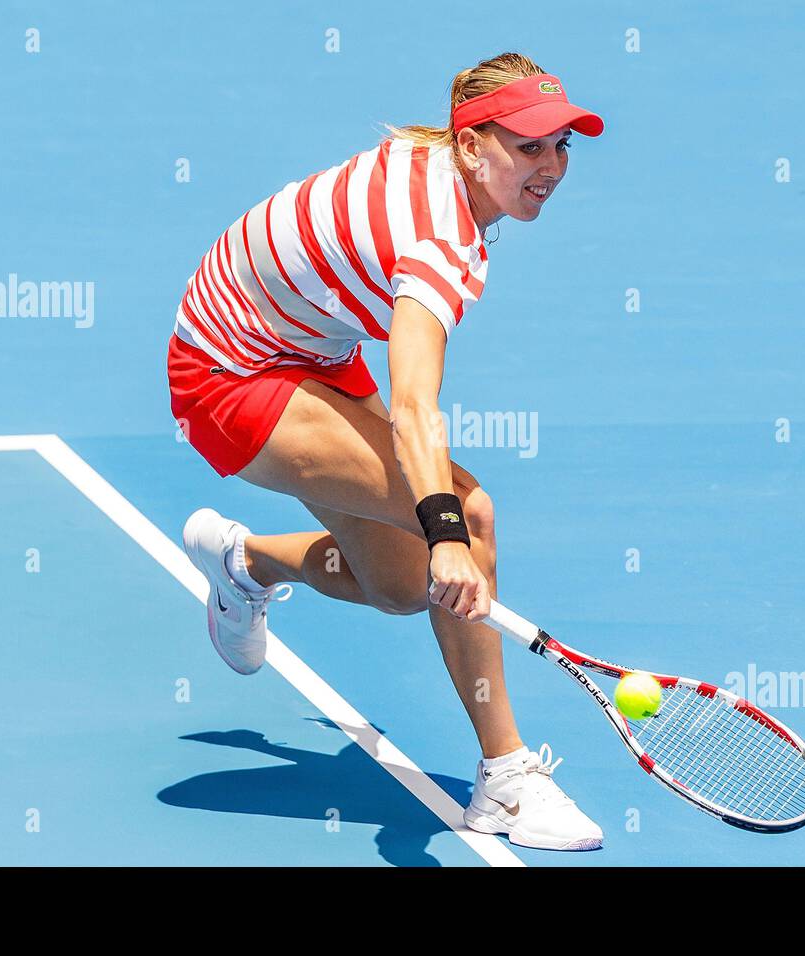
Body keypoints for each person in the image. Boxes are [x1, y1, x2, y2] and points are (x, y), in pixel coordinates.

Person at [168, 52, 605, 851]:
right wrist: (447, 534)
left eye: (562, 146)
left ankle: (244, 564)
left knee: (404, 590)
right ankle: (505, 779)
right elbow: (412, 405)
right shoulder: (439, 241)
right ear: (471, 145)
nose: (551, 167)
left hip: (306, 336)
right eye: (529, 146)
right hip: (228, 370)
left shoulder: (441, 166)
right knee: (467, 513)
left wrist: (432, 553)